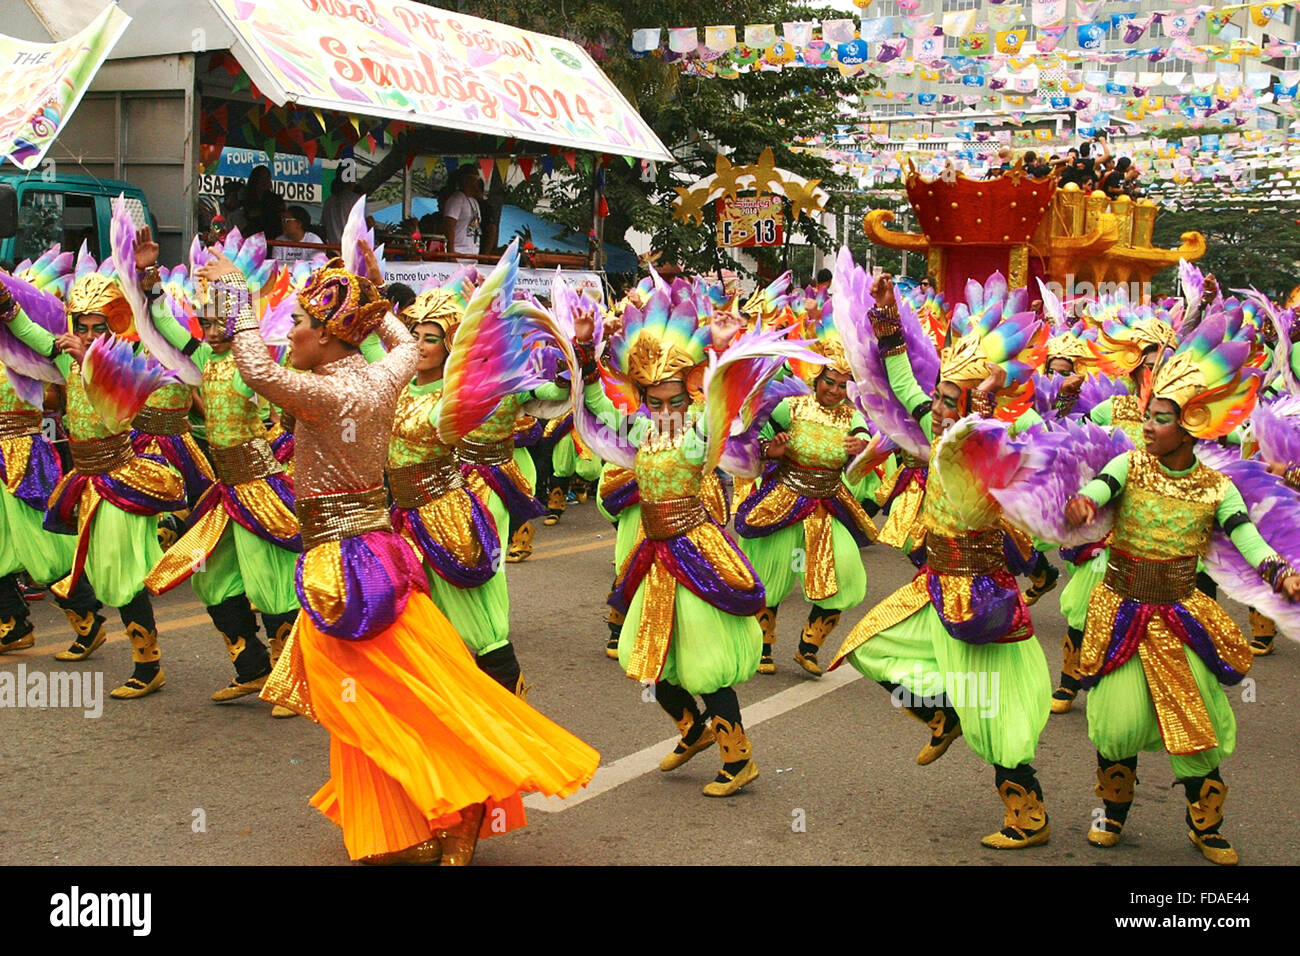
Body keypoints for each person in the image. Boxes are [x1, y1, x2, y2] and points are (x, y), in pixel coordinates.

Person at [204, 249, 598, 865]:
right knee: (380, 693)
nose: (289, 332)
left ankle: (458, 807)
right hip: (368, 552)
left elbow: (254, 366)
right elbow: (403, 345)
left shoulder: (328, 393)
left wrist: (233, 296)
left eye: (300, 321)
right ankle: (411, 812)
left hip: (348, 564)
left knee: (377, 693)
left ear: (331, 337)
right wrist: (369, 301)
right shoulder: (384, 373)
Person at [1062, 299, 1300, 864]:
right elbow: (1099, 491)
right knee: (1116, 725)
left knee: (1197, 728)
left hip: (1180, 615)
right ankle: (1111, 814)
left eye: (1161, 417)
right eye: (1147, 413)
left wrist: (1281, 573)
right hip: (1121, 607)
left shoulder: (1218, 488)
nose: (1147, 424)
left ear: (1190, 425)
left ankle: (1206, 824)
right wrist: (1080, 505)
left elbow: (1248, 539)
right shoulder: (1129, 464)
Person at [831, 269, 1054, 850]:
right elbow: (904, 382)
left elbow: (1039, 476)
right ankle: (941, 715)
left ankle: (1027, 814)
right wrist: (887, 320)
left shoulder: (1000, 450)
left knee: (997, 719)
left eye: (950, 400)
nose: (935, 406)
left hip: (982, 596)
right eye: (939, 397)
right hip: (936, 583)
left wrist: (992, 411)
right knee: (869, 649)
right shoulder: (935, 435)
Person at [0, 248, 186, 698]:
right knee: (105, 574)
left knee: (120, 575)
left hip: (120, 478)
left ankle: (148, 666)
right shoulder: (67, 359)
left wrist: (145, 283)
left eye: (96, 327)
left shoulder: (123, 362)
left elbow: (154, 344)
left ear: (112, 328)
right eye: (79, 326)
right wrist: (6, 305)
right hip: (87, 482)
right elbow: (30, 333)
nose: (84, 335)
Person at [0, 251, 107, 657]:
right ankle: (12, 625)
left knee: (44, 550)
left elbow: (33, 336)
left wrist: (9, 307)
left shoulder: (24, 351)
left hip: (20, 456)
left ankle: (86, 617)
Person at [442, 168, 484, 256]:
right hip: (458, 252)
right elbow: (449, 226)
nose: (478, 181)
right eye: (476, 178)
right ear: (466, 180)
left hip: (471, 255)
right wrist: (451, 253)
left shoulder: (474, 201)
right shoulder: (456, 199)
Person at [320, 180, 361, 246]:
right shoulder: (356, 199)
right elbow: (370, 222)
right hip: (350, 247)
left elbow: (323, 225)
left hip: (333, 247)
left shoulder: (328, 201)